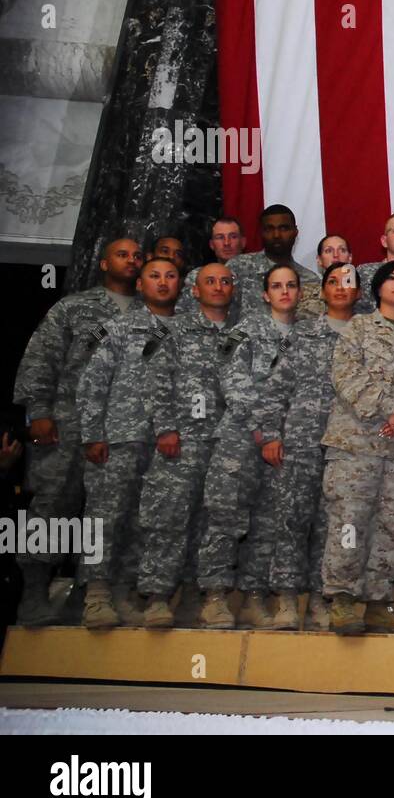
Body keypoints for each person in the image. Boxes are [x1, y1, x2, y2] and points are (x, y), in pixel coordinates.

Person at [13, 236, 141, 625]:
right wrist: (38, 411)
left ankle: (91, 591)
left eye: (138, 256)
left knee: (110, 513)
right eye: (122, 255)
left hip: (120, 426)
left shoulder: (148, 313)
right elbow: (41, 359)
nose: (131, 261)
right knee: (52, 506)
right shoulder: (74, 307)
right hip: (66, 425)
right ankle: (33, 593)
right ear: (104, 263)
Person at [250, 262, 363, 632]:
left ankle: (320, 599)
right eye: (333, 282)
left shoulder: (366, 336)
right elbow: (276, 388)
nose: (341, 288)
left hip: (346, 448)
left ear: (359, 293)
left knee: (333, 526)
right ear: (323, 291)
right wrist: (271, 434)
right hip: (300, 443)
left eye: (349, 282)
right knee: (290, 521)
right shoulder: (302, 335)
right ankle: (285, 601)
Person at [319, 261, 394, 636]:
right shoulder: (358, 328)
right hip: (356, 445)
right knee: (349, 522)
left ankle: (379, 601)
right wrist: (389, 410)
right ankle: (343, 598)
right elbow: (346, 376)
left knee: (392, 526)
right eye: (392, 279)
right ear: (378, 288)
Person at [76, 256, 181, 627]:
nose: (163, 282)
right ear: (140, 284)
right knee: (105, 517)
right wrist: (92, 434)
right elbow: (91, 383)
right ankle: (96, 593)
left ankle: (126, 591)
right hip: (119, 437)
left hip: (167, 445)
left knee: (148, 520)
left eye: (171, 276)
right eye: (154, 276)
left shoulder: (188, 330)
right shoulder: (117, 328)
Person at [194, 265, 300, 629]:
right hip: (241, 438)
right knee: (226, 517)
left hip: (286, 442)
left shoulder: (306, 335)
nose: (284, 291)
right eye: (276, 286)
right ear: (264, 294)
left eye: (290, 285)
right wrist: (262, 427)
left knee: (271, 522)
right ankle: (215, 597)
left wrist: (279, 432)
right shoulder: (245, 331)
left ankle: (254, 598)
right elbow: (233, 381)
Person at [136, 262, 234, 628]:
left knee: (218, 520)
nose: (218, 287)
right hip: (183, 440)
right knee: (170, 516)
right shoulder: (172, 332)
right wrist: (164, 428)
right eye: (210, 281)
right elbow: (155, 379)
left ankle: (211, 595)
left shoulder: (241, 336)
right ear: (195, 290)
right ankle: (158, 597)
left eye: (225, 281)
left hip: (225, 444)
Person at [223, 205, 320, 324]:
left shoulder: (310, 279)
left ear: (295, 232)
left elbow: (313, 326)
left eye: (284, 228)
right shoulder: (238, 267)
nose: (276, 235)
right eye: (269, 229)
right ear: (261, 233)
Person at [177, 218, 245, 316]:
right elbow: (183, 314)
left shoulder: (258, 273)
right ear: (212, 245)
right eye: (220, 237)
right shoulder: (196, 276)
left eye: (233, 237)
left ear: (243, 242)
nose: (227, 243)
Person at [296, 234, 352, 320]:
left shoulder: (364, 288)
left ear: (350, 258)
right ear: (319, 260)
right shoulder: (304, 293)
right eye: (329, 251)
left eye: (342, 250)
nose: (336, 255)